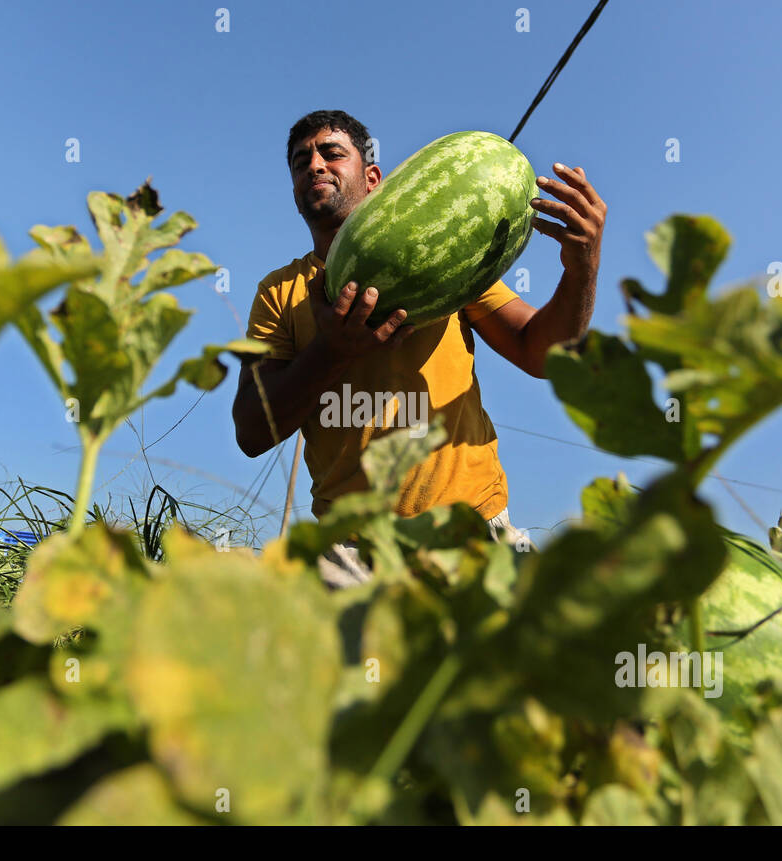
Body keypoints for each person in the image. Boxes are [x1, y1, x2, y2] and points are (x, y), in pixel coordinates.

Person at [232, 110, 605, 587]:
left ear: (372, 179)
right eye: (301, 161)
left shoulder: (444, 255)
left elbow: (541, 353)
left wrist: (582, 268)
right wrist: (332, 351)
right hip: (352, 555)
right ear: (294, 194)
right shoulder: (279, 291)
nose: (315, 166)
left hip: (472, 531)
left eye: (332, 153)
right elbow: (250, 431)